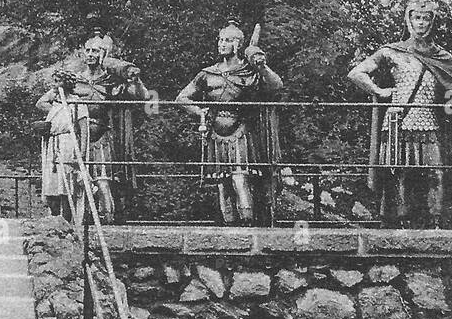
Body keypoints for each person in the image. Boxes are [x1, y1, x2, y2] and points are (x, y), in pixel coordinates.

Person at [348, 0, 452, 228]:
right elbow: (357, 73)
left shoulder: (443, 58)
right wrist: (379, 91)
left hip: (427, 121)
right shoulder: (392, 51)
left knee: (435, 173)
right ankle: (400, 223)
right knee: (399, 175)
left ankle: (435, 222)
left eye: (426, 18)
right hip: (397, 121)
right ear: (409, 20)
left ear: (432, 22)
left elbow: (450, 98)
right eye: (416, 18)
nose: (421, 23)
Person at [37, 30, 153, 222]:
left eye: (96, 51)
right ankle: (75, 224)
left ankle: (107, 226)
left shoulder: (111, 81)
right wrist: (63, 118)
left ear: (104, 55)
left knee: (103, 183)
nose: (91, 54)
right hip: (75, 138)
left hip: (100, 138)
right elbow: (42, 102)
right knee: (73, 184)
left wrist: (136, 80)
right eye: (88, 50)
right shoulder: (74, 80)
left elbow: (145, 96)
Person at [175, 20, 283, 225]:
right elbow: (182, 98)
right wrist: (200, 113)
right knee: (221, 183)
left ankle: (247, 226)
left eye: (228, 40)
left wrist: (262, 66)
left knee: (239, 179)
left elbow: (276, 86)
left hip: (241, 130)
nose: (222, 44)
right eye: (220, 39)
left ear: (238, 44)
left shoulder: (248, 71)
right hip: (215, 132)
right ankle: (229, 228)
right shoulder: (207, 74)